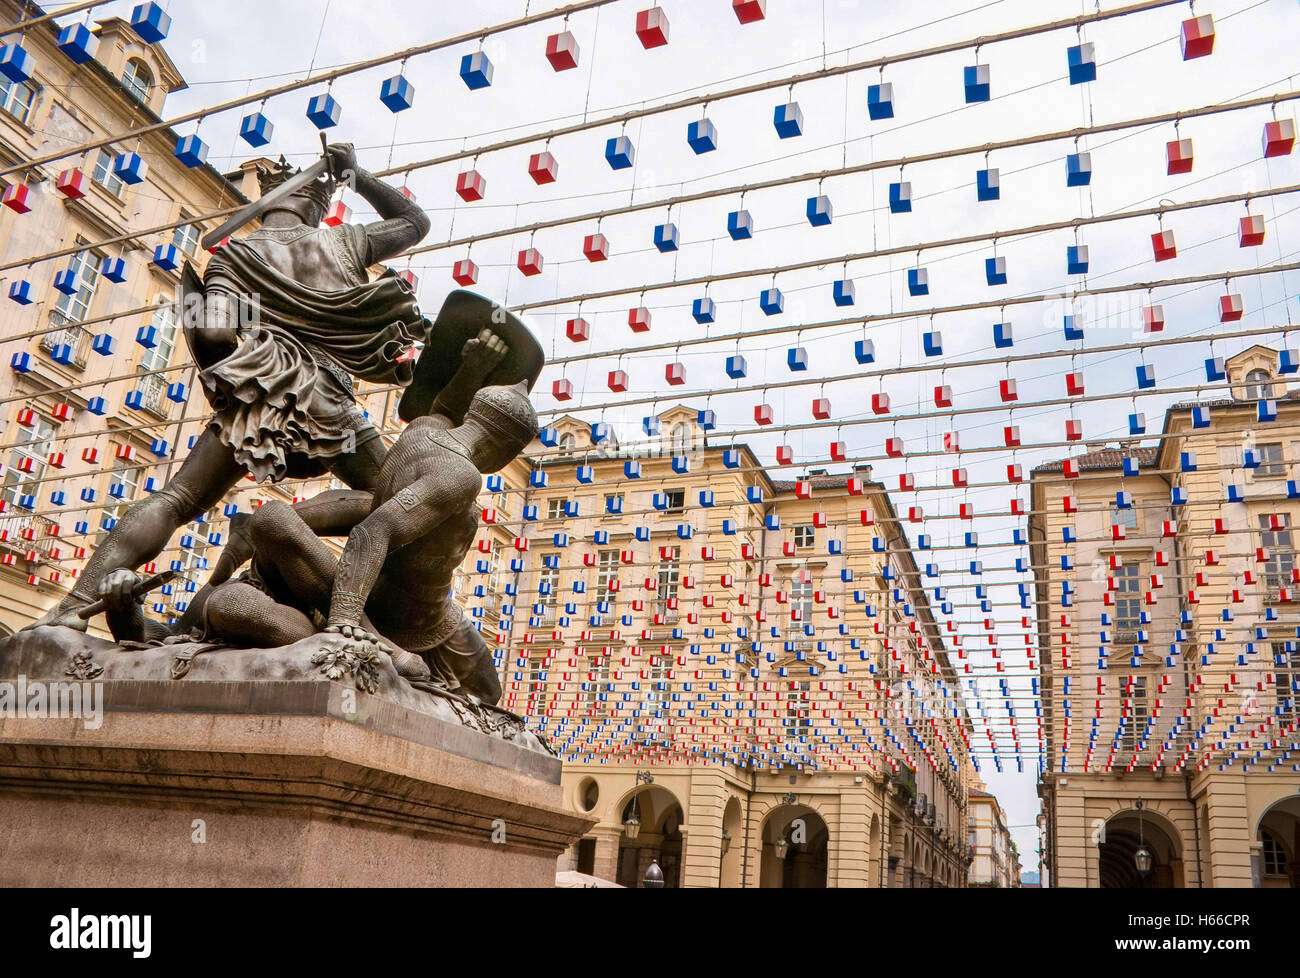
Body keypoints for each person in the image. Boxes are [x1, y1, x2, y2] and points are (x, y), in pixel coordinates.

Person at [29, 143, 431, 631]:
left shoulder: (234, 256)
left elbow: (216, 333)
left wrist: (240, 367)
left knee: (177, 500)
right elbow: (415, 222)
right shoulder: (343, 244)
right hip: (327, 397)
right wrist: (357, 175)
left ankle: (73, 606)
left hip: (256, 391)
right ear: (315, 206)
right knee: (401, 497)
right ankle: (375, 608)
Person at [95, 330, 531, 709]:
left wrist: (471, 371)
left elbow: (434, 421)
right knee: (241, 580)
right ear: (508, 451)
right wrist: (348, 623)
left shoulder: (424, 432)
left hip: (386, 610)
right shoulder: (460, 473)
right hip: (400, 617)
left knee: (246, 569)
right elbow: (373, 528)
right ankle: (371, 639)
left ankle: (362, 633)